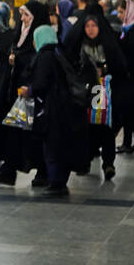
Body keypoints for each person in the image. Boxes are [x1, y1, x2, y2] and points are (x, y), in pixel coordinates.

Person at [0, 0, 49, 186]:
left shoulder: (40, 34)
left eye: (26, 15)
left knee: (32, 135)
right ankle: (10, 169)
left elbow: (38, 60)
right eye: (21, 14)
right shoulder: (20, 34)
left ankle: (42, 170)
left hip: (32, 94)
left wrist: (19, 60)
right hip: (15, 93)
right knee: (14, 131)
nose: (22, 19)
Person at [64, 8, 124, 180]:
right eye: (87, 26)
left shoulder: (108, 45)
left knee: (106, 128)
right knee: (87, 128)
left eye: (94, 26)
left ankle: (108, 164)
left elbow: (119, 66)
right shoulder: (79, 46)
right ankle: (85, 160)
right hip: (86, 92)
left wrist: (104, 70)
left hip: (107, 92)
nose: (90, 29)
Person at [29, 25, 86, 197]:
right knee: (60, 145)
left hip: (51, 107)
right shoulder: (59, 52)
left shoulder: (44, 57)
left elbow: (41, 84)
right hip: (66, 106)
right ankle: (60, 181)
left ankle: (56, 183)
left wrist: (28, 91)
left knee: (51, 147)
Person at [116, 0, 134, 153]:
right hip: (130, 74)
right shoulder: (129, 26)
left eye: (121, 12)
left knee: (129, 109)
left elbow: (131, 49)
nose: (119, 15)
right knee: (131, 110)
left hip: (131, 75)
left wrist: (118, 42)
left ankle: (130, 143)